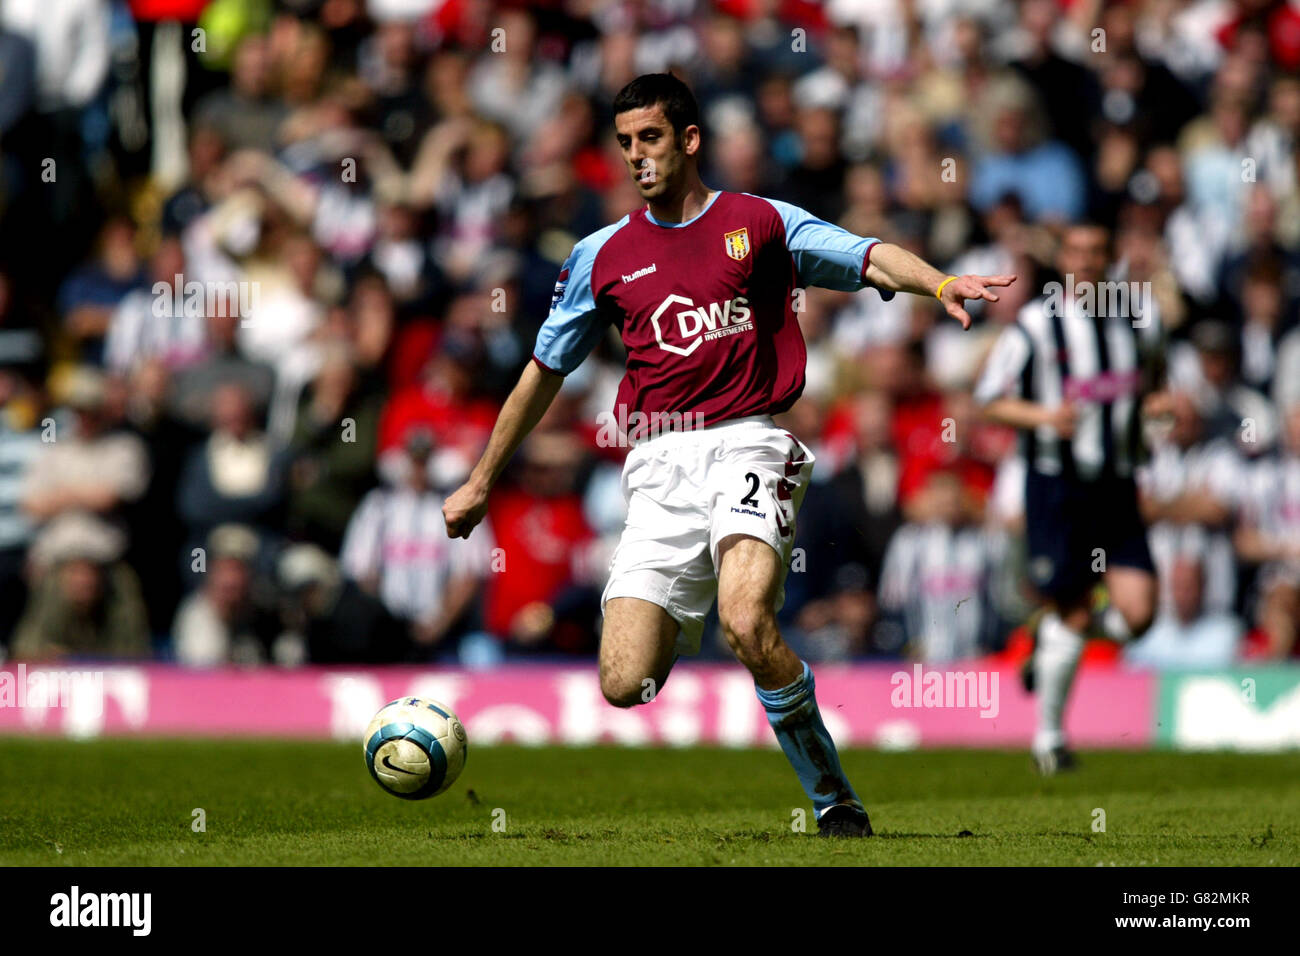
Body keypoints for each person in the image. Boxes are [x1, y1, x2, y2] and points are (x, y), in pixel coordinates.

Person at [442, 74, 1014, 837]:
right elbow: (544, 371)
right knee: (623, 683)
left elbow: (867, 255)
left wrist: (938, 281)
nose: (636, 156)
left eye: (649, 137)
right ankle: (695, 622)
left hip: (751, 438)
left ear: (689, 139)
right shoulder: (600, 255)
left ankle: (832, 796)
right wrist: (482, 480)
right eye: (623, 144)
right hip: (655, 464)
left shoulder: (759, 222)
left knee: (747, 623)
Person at [974, 223, 1164, 775]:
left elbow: (1154, 381)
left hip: (1119, 485)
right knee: (1078, 606)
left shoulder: (1138, 319)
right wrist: (1044, 417)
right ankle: (1050, 742)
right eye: (1076, 252)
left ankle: (1050, 632)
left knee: (1140, 613)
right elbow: (989, 399)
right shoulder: (1035, 324)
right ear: (1062, 260)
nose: (1086, 261)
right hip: (1057, 486)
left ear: (1111, 257)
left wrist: (1158, 406)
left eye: (1097, 250)